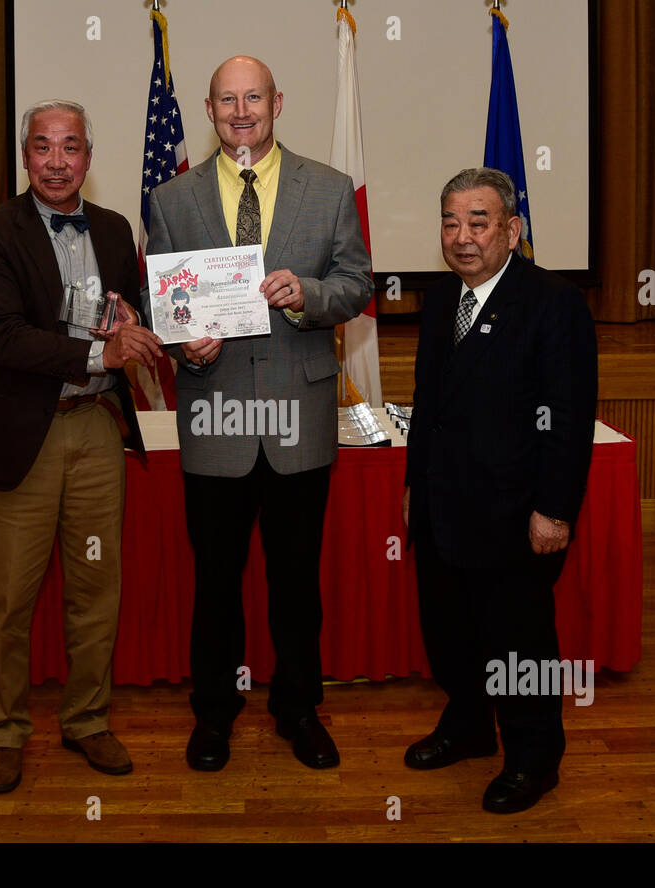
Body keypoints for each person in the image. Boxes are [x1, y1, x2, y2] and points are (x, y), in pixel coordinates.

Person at [145, 56, 373, 771]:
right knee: (215, 583)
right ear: (209, 110)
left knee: (296, 583)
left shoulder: (331, 190)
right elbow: (167, 309)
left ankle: (298, 708)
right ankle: (213, 715)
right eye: (226, 100)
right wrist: (190, 349)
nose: (241, 111)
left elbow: (357, 284)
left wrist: (306, 293)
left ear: (278, 102)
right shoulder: (172, 198)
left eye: (254, 98)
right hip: (213, 418)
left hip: (298, 418)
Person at [0, 99, 164, 793]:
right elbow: (6, 338)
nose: (56, 160)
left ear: (87, 156)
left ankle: (86, 719)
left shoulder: (112, 229)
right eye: (42, 147)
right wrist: (102, 354)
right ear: (26, 157)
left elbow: (123, 311)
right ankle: (4, 728)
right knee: (9, 598)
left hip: (97, 433)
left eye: (69, 147)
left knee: (95, 588)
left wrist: (130, 321)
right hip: (26, 434)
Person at [403, 167, 597, 813]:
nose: (462, 237)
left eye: (479, 223)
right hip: (441, 507)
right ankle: (466, 729)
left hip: (516, 516)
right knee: (451, 634)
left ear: (511, 231)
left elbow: (568, 420)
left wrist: (555, 511)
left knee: (519, 645)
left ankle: (535, 759)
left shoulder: (553, 304)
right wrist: (414, 488)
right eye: (451, 222)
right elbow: (427, 404)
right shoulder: (441, 299)